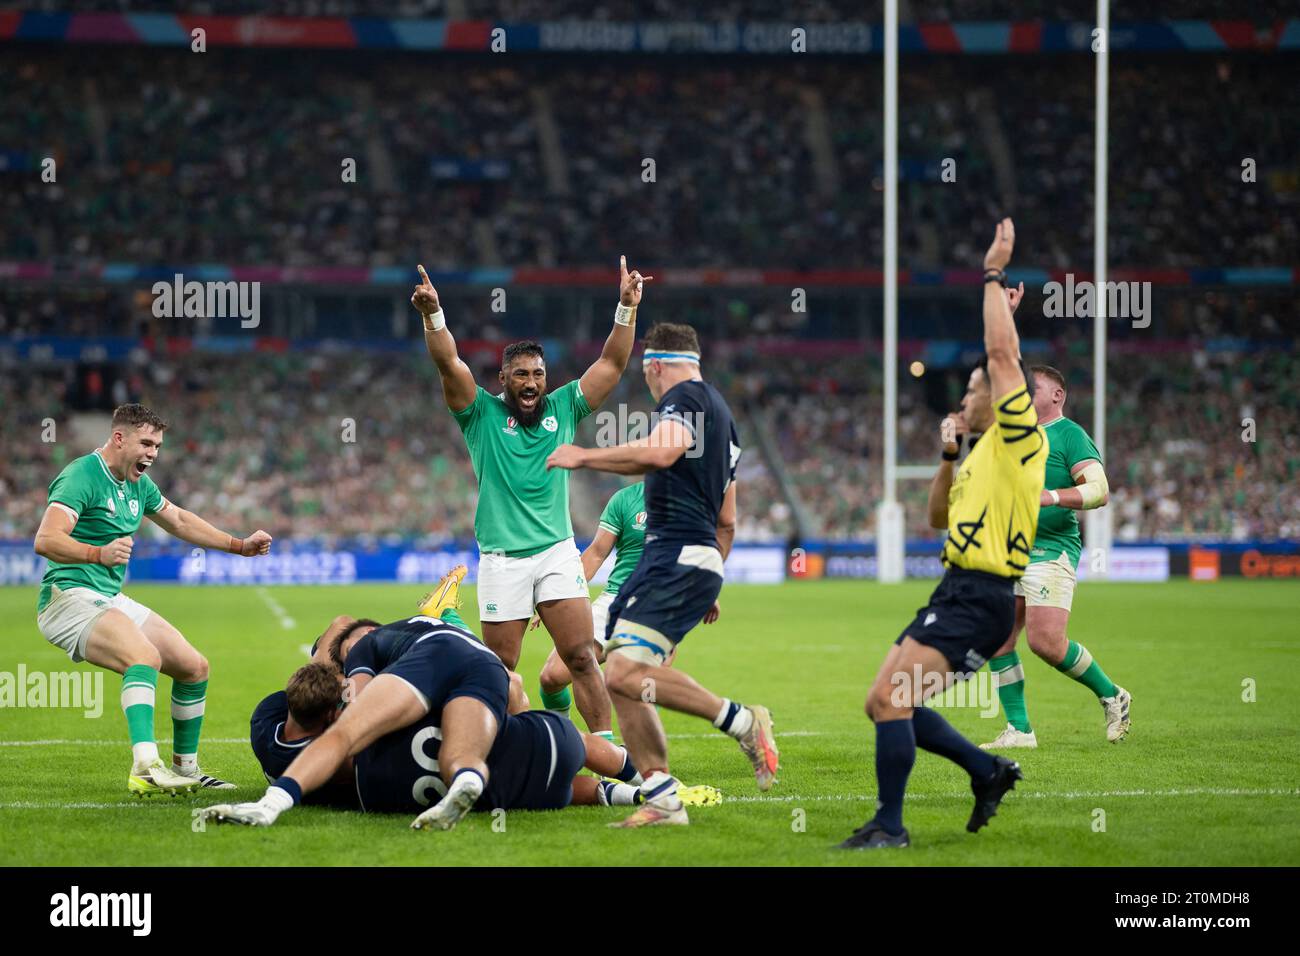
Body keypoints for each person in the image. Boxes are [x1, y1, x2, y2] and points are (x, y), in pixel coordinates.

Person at [839, 219, 1047, 849]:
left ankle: (890, 827)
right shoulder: (980, 451)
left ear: (1003, 399)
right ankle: (988, 771)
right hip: (958, 591)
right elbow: (935, 519)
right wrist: (949, 454)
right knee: (885, 700)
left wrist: (991, 275)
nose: (968, 392)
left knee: (892, 699)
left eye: (976, 386)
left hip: (982, 595)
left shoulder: (1018, 438)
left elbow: (1004, 358)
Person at [546, 322, 778, 827]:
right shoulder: (723, 418)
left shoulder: (685, 400)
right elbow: (728, 518)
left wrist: (584, 455)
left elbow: (662, 451)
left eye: (646, 372)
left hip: (674, 557)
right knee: (623, 677)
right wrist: (710, 569)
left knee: (624, 673)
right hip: (679, 561)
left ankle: (741, 720)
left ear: (653, 366)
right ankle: (663, 797)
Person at [410, 258, 648, 743]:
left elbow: (612, 364)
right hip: (501, 560)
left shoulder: (564, 405)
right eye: (521, 374)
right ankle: (507, 749)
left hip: (557, 553)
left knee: (581, 656)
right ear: (504, 379)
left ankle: (608, 756)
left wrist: (625, 307)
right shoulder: (479, 414)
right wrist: (434, 316)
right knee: (501, 666)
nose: (531, 382)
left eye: (537, 374)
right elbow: (447, 363)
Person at [33, 402, 272, 796]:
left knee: (194, 667)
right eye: (146, 443)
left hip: (107, 596)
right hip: (67, 597)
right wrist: (97, 553)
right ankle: (145, 766)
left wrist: (239, 545)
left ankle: (187, 770)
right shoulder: (81, 475)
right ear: (118, 438)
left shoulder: (138, 485)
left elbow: (177, 520)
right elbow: (46, 540)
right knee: (143, 657)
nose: (153, 453)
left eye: (158, 446)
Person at [981, 364, 1130, 748]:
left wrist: (1052, 496)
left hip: (1051, 549)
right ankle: (1020, 730)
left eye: (1033, 387)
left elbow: (1099, 490)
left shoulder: (1069, 435)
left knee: (1045, 642)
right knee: (998, 638)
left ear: (1057, 395)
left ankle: (1112, 694)